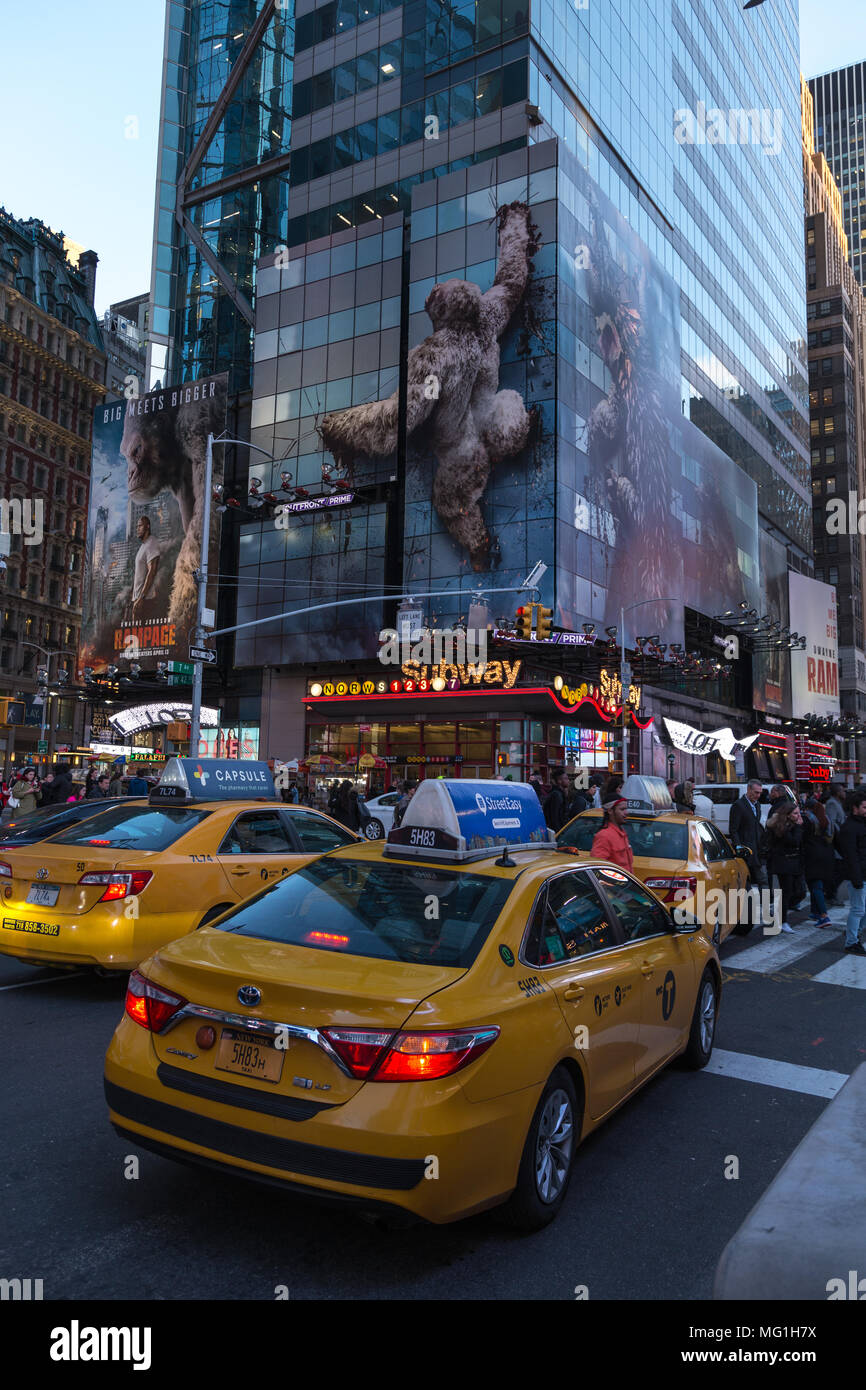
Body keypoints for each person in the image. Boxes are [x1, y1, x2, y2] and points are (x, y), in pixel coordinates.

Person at [764, 801, 805, 934]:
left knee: (798, 890)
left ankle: (780, 913)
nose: (798, 815)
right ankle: (782, 920)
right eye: (795, 813)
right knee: (786, 892)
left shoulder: (791, 825)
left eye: (798, 813)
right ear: (787, 815)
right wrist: (798, 827)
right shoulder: (780, 827)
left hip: (794, 862)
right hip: (784, 863)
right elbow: (793, 841)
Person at [835, 789, 866, 955]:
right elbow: (851, 855)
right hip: (858, 875)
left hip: (862, 872)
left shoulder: (860, 824)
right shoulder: (850, 828)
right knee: (858, 909)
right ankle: (851, 941)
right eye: (864, 807)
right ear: (855, 808)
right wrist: (856, 878)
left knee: (861, 910)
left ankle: (852, 932)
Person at [801, 795, 834, 929]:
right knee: (816, 883)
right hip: (824, 852)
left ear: (808, 808)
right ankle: (815, 912)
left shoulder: (807, 819)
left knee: (815, 885)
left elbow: (802, 837)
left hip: (811, 853)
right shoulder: (824, 818)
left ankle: (824, 915)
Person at [129, 514, 162, 621]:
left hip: (146, 600)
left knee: (141, 635)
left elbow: (152, 571)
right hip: (139, 599)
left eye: (140, 526)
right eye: (137, 527)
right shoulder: (143, 546)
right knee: (136, 635)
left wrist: (141, 598)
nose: (137, 529)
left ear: (147, 526)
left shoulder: (151, 542)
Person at [590, 797, 634, 871]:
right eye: (622, 809)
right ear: (610, 811)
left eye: (626, 809)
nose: (627, 812)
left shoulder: (622, 833)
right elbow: (597, 868)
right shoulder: (604, 836)